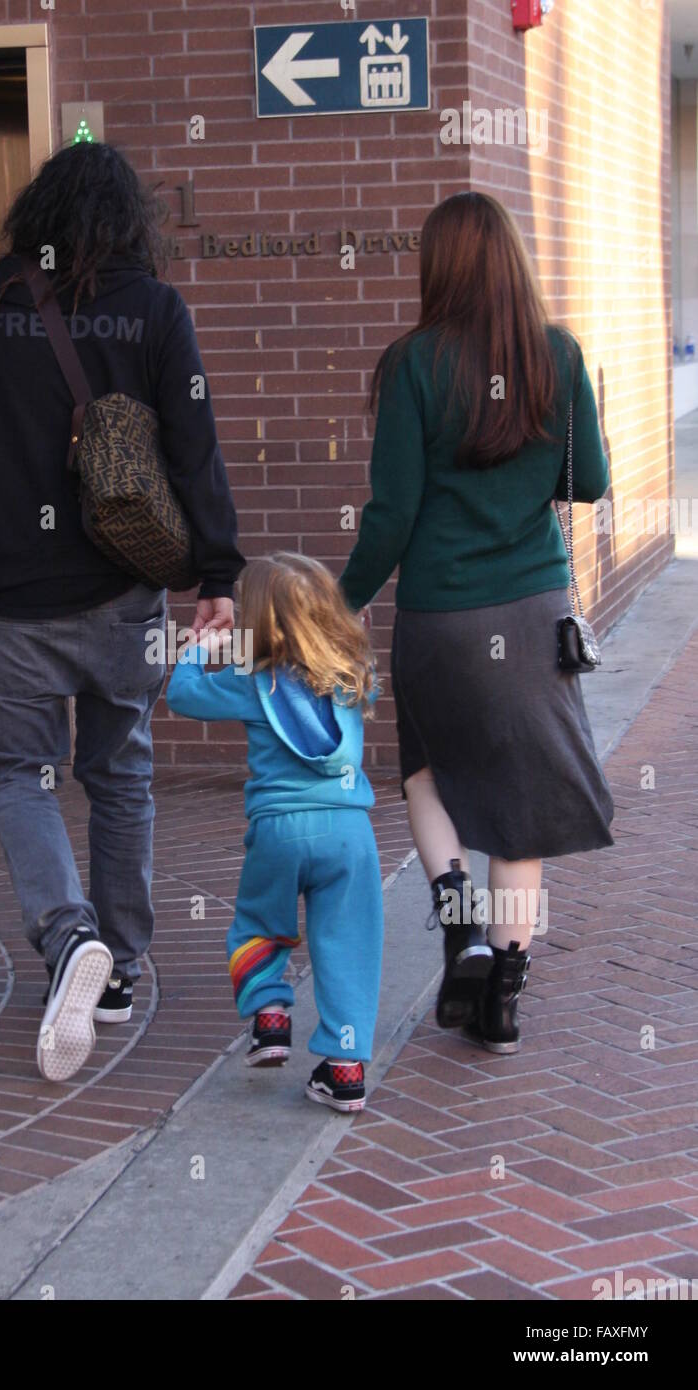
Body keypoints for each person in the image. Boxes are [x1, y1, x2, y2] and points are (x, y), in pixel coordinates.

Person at [0, 143, 244, 1083]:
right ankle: (121, 967)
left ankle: (68, 939)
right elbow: (194, 446)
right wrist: (217, 571)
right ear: (128, 220)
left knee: (19, 774)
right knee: (120, 775)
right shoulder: (153, 310)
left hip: (11, 593)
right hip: (122, 590)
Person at [340, 191, 614, 1055]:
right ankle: (502, 995)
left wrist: (340, 601)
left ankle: (458, 927)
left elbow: (390, 512)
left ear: (439, 266)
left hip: (438, 615)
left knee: (428, 780)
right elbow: (590, 483)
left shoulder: (412, 364)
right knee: (519, 809)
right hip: (531, 613)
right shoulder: (557, 356)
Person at [166, 554, 383, 1113]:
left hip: (278, 833)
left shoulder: (248, 680)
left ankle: (270, 1018)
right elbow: (369, 684)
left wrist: (199, 652)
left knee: (259, 925)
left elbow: (182, 695)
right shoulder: (351, 673)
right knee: (349, 942)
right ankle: (346, 1069)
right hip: (349, 833)